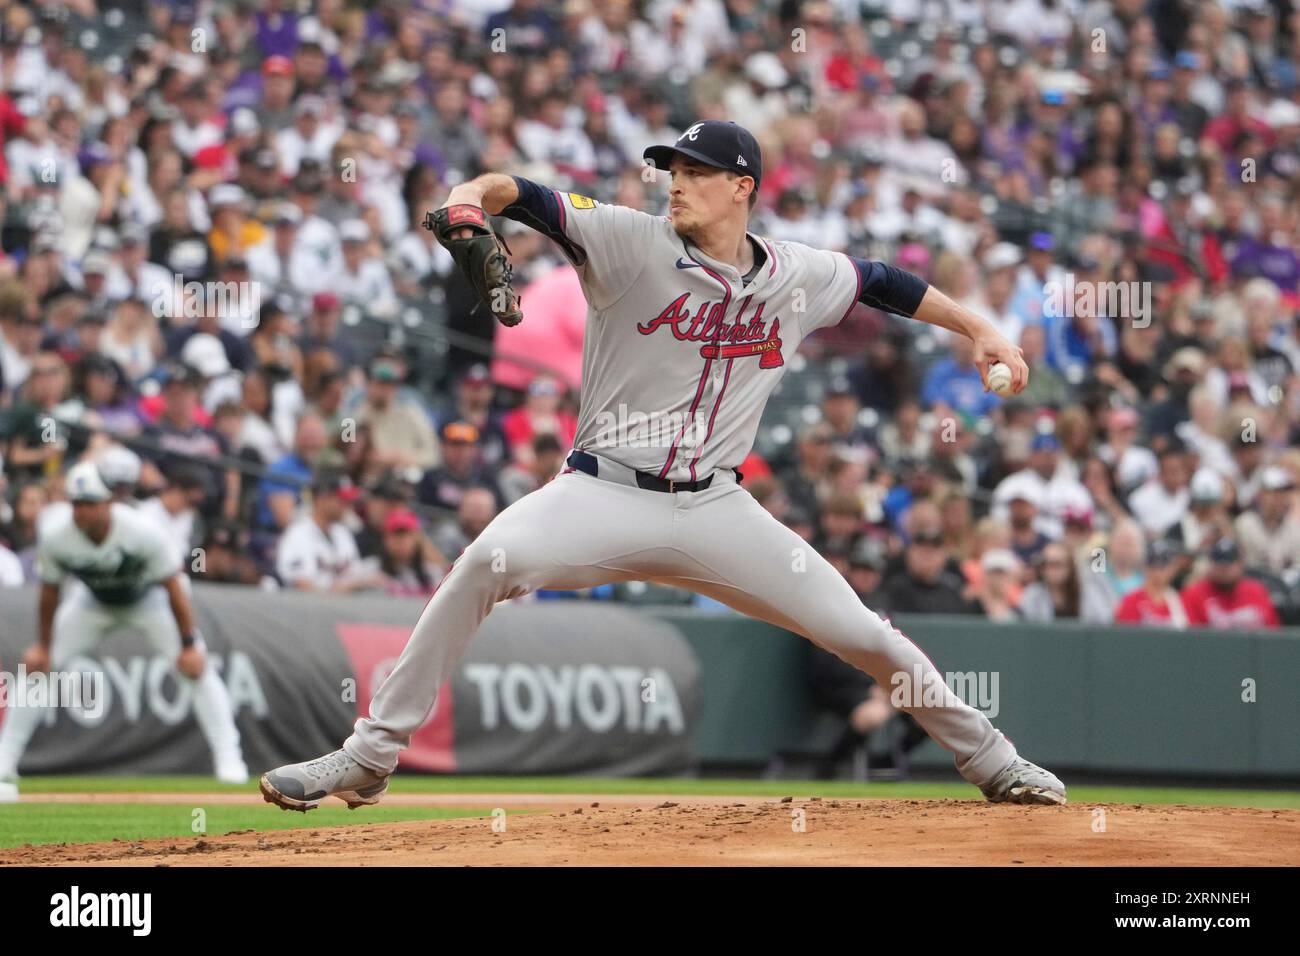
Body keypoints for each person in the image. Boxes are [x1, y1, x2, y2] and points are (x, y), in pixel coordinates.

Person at [261, 119, 1064, 811]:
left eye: (696, 173)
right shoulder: (626, 238)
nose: (675, 184)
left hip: (718, 511)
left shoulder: (795, 274)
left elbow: (884, 282)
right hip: (599, 492)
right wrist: (468, 199)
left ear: (742, 186)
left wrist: (979, 330)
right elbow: (517, 194)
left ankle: (994, 762)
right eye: (672, 171)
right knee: (482, 565)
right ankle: (370, 756)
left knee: (866, 635)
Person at [0, 462, 247, 791]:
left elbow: (174, 588)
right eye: (76, 504)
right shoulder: (58, 537)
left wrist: (189, 644)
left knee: (197, 666)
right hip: (92, 603)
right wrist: (43, 645)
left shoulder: (142, 531)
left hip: (149, 602)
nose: (82, 511)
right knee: (37, 668)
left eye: (90, 503)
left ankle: (229, 758)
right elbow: (50, 593)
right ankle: (6, 759)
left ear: (109, 503)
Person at [1180, 537, 1281, 630]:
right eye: (1219, 564)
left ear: (1241, 564)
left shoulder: (1256, 590)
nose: (1224, 570)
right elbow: (1192, 639)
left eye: (1229, 564)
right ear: (1211, 564)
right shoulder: (1193, 594)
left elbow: (1272, 631)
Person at [1114, 539, 1189, 628]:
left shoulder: (1176, 601)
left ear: (1172, 568)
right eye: (1153, 565)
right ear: (1145, 567)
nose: (1158, 571)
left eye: (1163, 566)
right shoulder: (1131, 600)